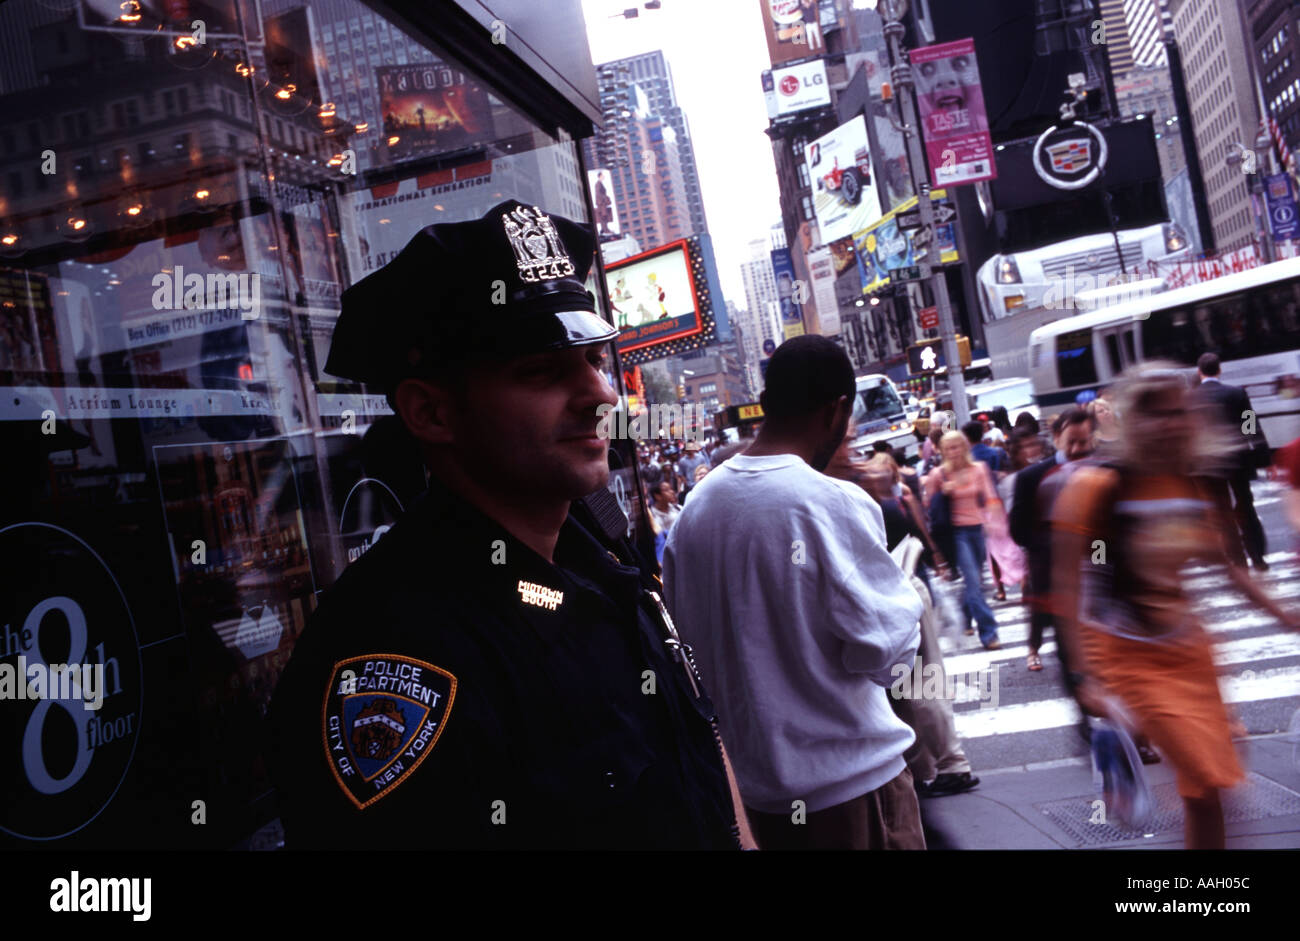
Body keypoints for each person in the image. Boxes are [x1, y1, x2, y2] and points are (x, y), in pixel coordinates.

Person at [269, 200, 754, 850]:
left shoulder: (604, 557)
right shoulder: (394, 652)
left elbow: (697, 749)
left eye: (595, 359)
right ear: (431, 412)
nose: (601, 394)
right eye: (541, 370)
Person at [663, 336, 926, 850]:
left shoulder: (693, 514)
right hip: (854, 792)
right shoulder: (830, 503)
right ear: (837, 409)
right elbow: (890, 659)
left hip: (754, 805)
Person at [1051, 364, 1300, 849]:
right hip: (1127, 653)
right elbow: (1071, 581)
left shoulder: (1193, 483)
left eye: (1178, 411)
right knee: (1202, 773)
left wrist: (1285, 614)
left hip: (1189, 650)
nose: (1169, 422)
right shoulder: (1100, 487)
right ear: (1134, 418)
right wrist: (1087, 677)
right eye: (1155, 412)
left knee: (1212, 785)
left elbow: (1228, 568)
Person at [1009, 408, 1096, 675]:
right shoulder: (1031, 477)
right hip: (1053, 574)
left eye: (1084, 442)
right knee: (1067, 647)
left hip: (1093, 572)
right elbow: (1019, 530)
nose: (1076, 448)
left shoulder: (1101, 467)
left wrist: (1099, 561)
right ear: (1056, 437)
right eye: (1071, 441)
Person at [923, 431, 1002, 649]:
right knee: (974, 582)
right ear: (942, 451)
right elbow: (929, 507)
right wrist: (943, 493)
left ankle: (966, 617)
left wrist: (993, 522)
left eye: (956, 447)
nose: (953, 452)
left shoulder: (978, 469)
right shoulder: (939, 475)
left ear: (964, 448)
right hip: (957, 534)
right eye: (948, 448)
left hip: (978, 530)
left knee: (974, 580)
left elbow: (990, 496)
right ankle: (989, 633)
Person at [1192, 352, 1270, 570]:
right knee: (1245, 506)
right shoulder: (1236, 394)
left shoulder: (1190, 399)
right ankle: (1257, 556)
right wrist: (1262, 456)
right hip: (1238, 459)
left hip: (1207, 464)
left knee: (1222, 511)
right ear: (1219, 369)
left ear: (1199, 372)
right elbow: (1250, 426)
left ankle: (1237, 560)